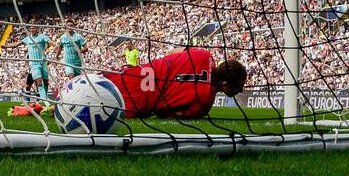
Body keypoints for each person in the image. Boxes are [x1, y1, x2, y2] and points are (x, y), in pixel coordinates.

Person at [101, 47, 246, 119]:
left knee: (92, 85)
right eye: (238, 87)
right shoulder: (205, 103)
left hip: (137, 74)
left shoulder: (204, 55)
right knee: (101, 110)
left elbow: (172, 53)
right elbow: (167, 115)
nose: (239, 91)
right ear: (226, 84)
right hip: (140, 103)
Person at [21, 23, 51, 102]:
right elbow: (26, 61)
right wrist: (27, 67)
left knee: (39, 84)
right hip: (32, 69)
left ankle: (39, 101)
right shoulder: (30, 52)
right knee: (28, 86)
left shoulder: (43, 50)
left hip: (40, 66)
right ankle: (28, 100)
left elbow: (49, 44)